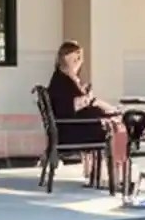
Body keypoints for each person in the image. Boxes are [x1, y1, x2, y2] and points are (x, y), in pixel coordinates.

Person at [46, 40, 127, 181]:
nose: (78, 62)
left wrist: (108, 108)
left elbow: (86, 102)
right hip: (73, 132)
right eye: (75, 58)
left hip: (74, 127)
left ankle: (104, 173)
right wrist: (87, 99)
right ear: (65, 59)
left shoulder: (66, 79)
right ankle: (117, 175)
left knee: (115, 123)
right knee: (117, 129)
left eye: (79, 59)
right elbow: (68, 107)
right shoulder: (62, 82)